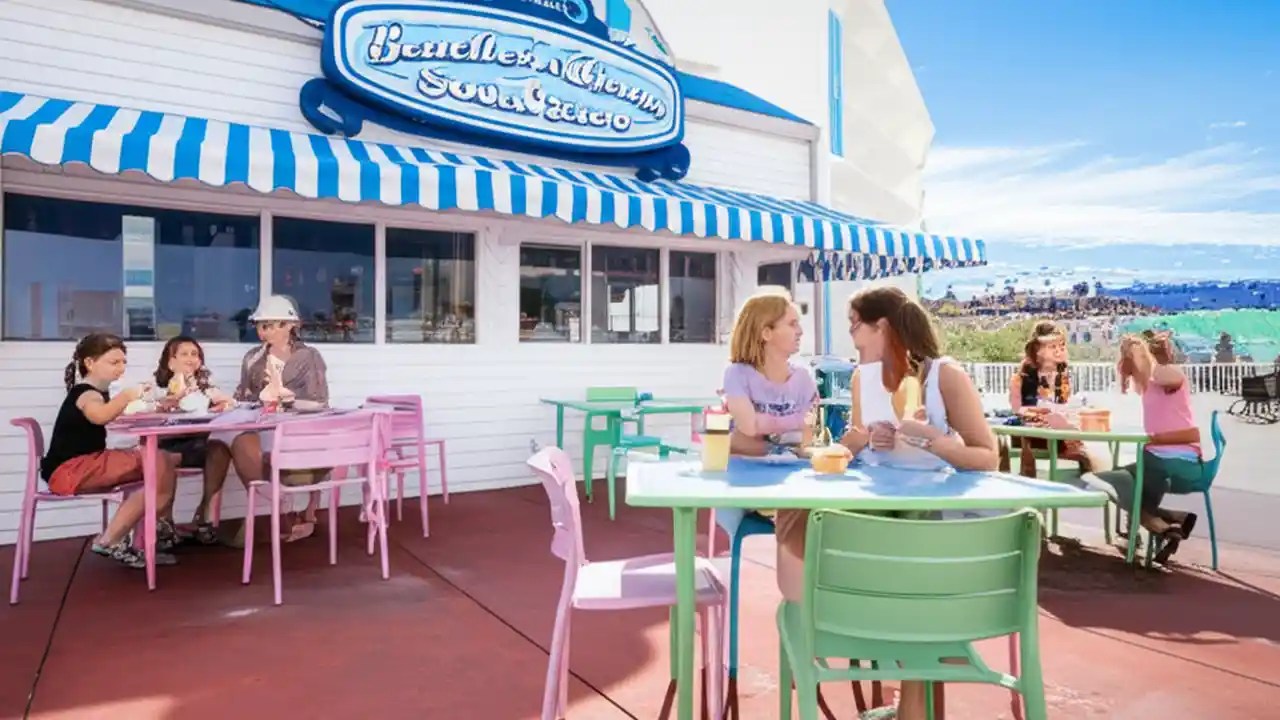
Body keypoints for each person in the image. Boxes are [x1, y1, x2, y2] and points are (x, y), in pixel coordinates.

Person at [781, 287, 998, 720]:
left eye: (855, 326)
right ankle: (833, 634)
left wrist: (935, 441)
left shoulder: (944, 376)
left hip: (929, 517)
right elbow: (856, 447)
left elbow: (987, 456)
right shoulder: (863, 378)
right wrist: (861, 442)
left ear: (881, 326)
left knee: (904, 582)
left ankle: (909, 693)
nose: (852, 338)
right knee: (798, 515)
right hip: (876, 506)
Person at [42, 333, 180, 568]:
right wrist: (126, 396)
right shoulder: (86, 392)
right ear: (90, 363)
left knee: (164, 461)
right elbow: (100, 416)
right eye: (114, 362)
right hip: (72, 469)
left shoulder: (97, 392)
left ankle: (140, 537)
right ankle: (114, 539)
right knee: (159, 461)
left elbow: (110, 412)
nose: (121, 367)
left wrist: (158, 404)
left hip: (79, 466)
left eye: (123, 362)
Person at [223, 295, 330, 546]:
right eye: (261, 325)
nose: (264, 331)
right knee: (233, 441)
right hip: (264, 430)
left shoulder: (309, 357)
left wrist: (286, 401)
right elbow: (243, 396)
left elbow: (319, 402)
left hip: (300, 433)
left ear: (289, 325)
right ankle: (273, 505)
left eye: (271, 325)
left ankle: (307, 512)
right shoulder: (252, 358)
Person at [1083, 332, 1199, 564]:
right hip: (1159, 458)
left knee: (1115, 481)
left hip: (1174, 460)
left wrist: (1138, 351)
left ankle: (1162, 527)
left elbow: (1172, 378)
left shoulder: (1165, 375)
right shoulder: (1149, 387)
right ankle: (1171, 521)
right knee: (1124, 482)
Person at [152, 335, 235, 545]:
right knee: (164, 459)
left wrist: (219, 404)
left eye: (195, 354)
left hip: (196, 445)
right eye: (184, 354)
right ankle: (164, 522)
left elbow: (228, 402)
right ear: (170, 361)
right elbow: (155, 406)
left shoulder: (204, 388)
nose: (190, 358)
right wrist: (175, 397)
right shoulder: (159, 389)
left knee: (219, 450)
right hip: (167, 445)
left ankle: (204, 515)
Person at [1004, 321, 1104, 477]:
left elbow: (1068, 406)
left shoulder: (1064, 377)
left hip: (1064, 432)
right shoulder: (1021, 379)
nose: (1059, 351)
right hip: (1035, 433)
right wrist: (1041, 415)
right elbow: (1017, 409)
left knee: (1096, 454)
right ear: (1037, 350)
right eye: (1053, 347)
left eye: (1061, 346)